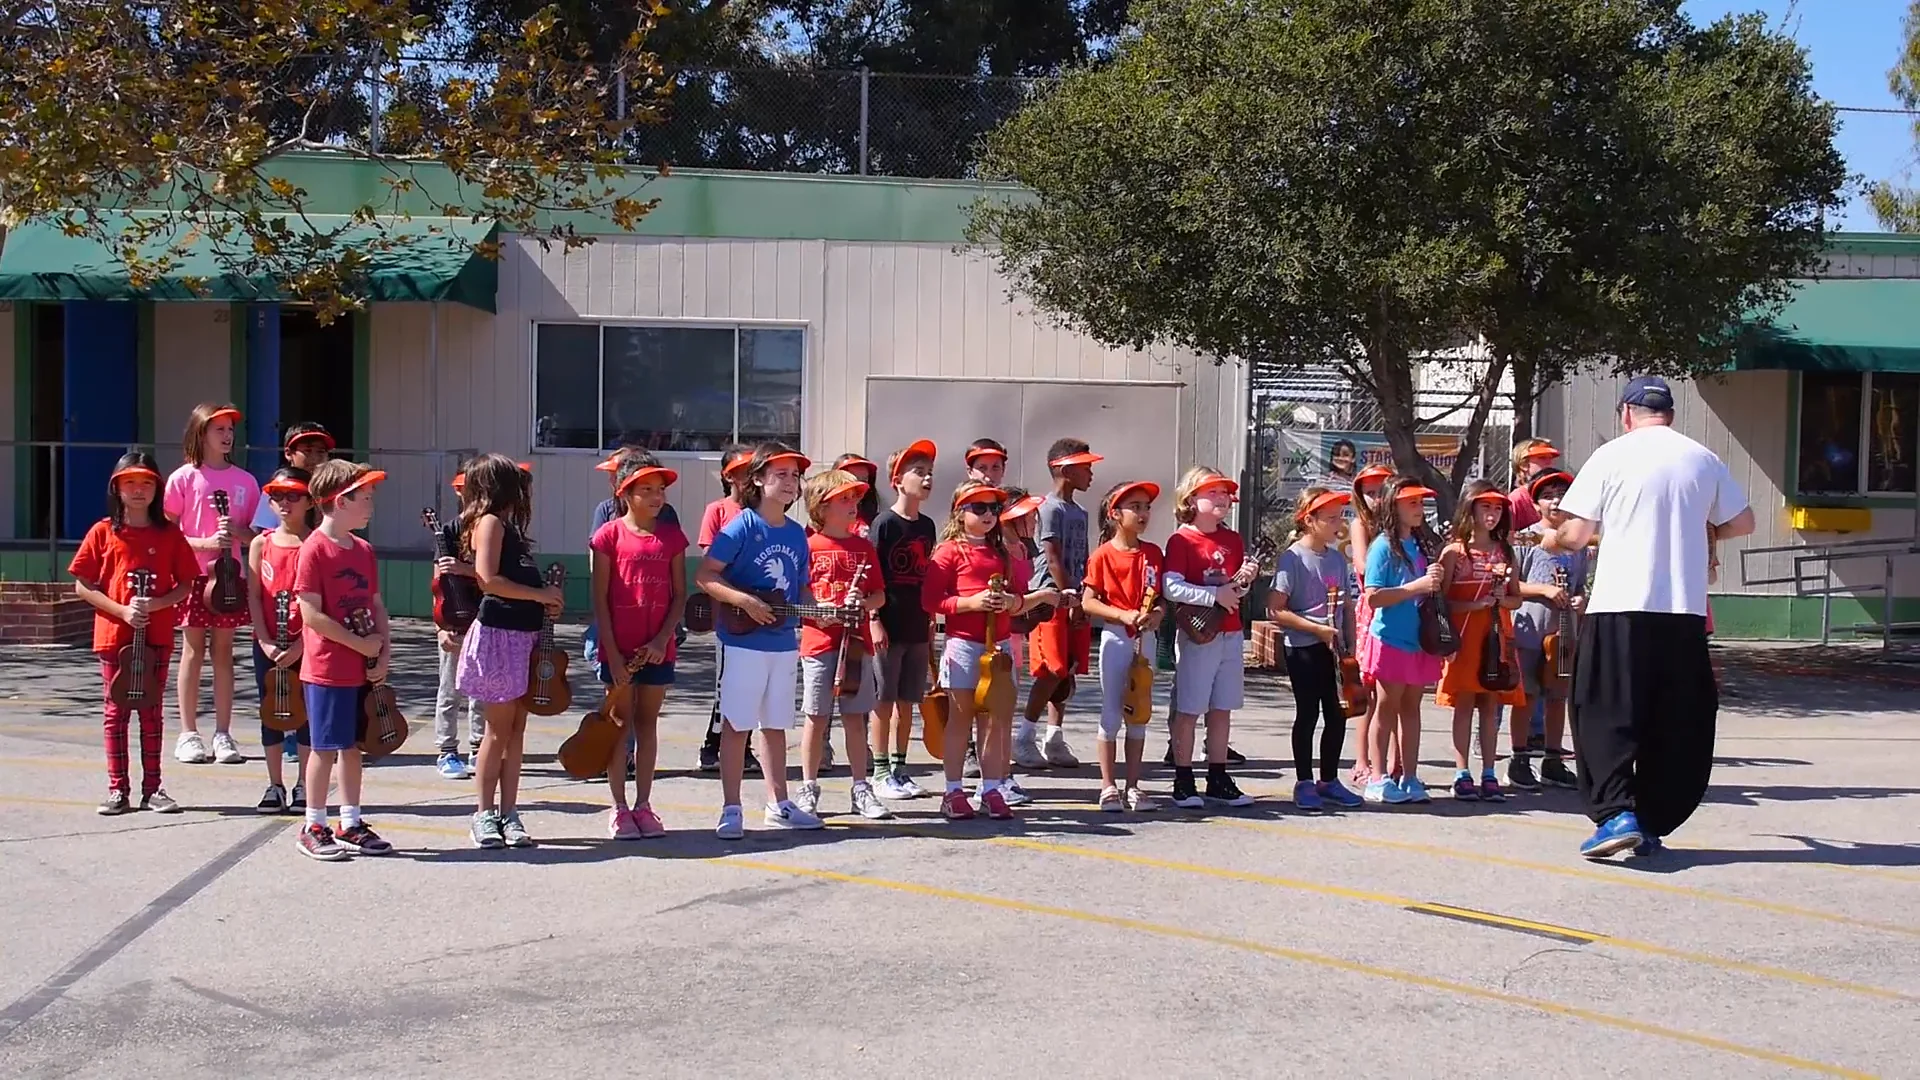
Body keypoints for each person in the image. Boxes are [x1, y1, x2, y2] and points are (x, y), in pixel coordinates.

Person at [1553, 376, 1753, 859]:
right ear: (1670, 414)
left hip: (1620, 603)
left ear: (1626, 413)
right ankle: (1653, 816)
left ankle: (1616, 812)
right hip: (1682, 611)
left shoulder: (1612, 456)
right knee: (1674, 717)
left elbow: (1577, 534)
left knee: (1604, 711)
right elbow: (1743, 521)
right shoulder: (1702, 458)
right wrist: (1696, 530)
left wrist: (1553, 535)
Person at [696, 441, 818, 838]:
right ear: (760, 479)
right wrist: (745, 601)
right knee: (736, 725)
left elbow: (802, 591)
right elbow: (707, 575)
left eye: (795, 476)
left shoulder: (799, 534)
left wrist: (825, 609)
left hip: (783, 644)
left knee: (776, 726)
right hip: (743, 642)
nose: (789, 482)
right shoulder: (742, 525)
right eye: (780, 474)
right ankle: (731, 808)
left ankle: (779, 803)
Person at [70, 452, 200, 815]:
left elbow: (186, 583)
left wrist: (156, 605)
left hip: (156, 636)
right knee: (116, 713)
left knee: (152, 713)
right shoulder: (103, 531)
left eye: (146, 483)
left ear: (158, 488)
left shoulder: (169, 534)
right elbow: (83, 584)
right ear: (117, 487)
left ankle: (154, 788)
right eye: (130, 483)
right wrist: (122, 610)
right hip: (113, 636)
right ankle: (118, 789)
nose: (139, 490)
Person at [920, 481, 1052, 820]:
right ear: (959, 512)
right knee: (961, 719)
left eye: (993, 508)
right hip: (964, 644)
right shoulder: (949, 551)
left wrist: (1011, 602)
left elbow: (1018, 598)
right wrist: (970, 603)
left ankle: (992, 787)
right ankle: (952, 791)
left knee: (997, 721)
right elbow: (932, 601)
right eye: (979, 508)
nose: (988, 515)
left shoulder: (1002, 553)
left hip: (1000, 646)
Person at [458, 455, 564, 850]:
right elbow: (488, 580)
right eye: (519, 482)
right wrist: (539, 594)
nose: (526, 490)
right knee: (498, 731)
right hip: (500, 636)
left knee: (516, 731)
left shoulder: (512, 530)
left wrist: (545, 602)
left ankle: (509, 812)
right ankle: (483, 813)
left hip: (524, 635)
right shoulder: (489, 524)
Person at [293, 459, 394, 860]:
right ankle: (313, 823)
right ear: (337, 501)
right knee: (324, 747)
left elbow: (375, 604)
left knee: (353, 747)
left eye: (370, 497)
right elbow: (311, 615)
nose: (370, 505)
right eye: (363, 498)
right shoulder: (314, 550)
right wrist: (359, 644)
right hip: (327, 668)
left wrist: (382, 649)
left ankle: (350, 821)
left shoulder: (364, 550)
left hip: (361, 667)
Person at [590, 451, 689, 840]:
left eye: (659, 490)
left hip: (657, 648)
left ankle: (644, 805)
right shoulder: (608, 536)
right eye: (645, 489)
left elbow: (680, 594)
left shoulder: (672, 537)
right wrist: (612, 654)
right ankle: (618, 808)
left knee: (647, 726)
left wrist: (662, 639)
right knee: (618, 726)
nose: (655, 496)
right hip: (618, 650)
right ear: (624, 493)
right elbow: (600, 600)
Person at [166, 402, 261, 766]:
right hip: (194, 576)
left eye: (230, 429)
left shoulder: (245, 482)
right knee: (193, 649)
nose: (227, 435)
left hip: (230, 578)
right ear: (201, 433)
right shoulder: (183, 478)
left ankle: (223, 733)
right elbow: (169, 531)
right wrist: (204, 543)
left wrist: (237, 535)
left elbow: (256, 534)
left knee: (224, 651)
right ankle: (189, 733)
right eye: (218, 429)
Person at [794, 469, 892, 820]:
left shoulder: (864, 547)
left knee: (855, 718)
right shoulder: (807, 546)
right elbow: (799, 595)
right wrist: (819, 612)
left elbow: (879, 595)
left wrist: (862, 606)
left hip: (856, 645)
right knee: (816, 718)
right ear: (822, 506)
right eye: (844, 499)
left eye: (855, 498)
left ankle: (861, 789)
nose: (854, 505)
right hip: (819, 645)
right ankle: (808, 788)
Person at [1161, 468, 1256, 809]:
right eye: (1212, 492)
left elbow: (1235, 587)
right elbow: (1171, 586)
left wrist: (1244, 581)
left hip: (1231, 632)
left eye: (1224, 493)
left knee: (1222, 708)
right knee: (1189, 708)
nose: (1222, 499)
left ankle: (1217, 775)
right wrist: (1212, 596)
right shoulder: (1182, 540)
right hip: (1199, 633)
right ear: (1191, 499)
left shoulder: (1232, 539)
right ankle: (1183, 778)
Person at [1268, 486, 1366, 810]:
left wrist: (1350, 644)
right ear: (1309, 520)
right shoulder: (1292, 558)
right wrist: (1316, 629)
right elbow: (1276, 609)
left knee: (1338, 713)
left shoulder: (1337, 558)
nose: (1338, 523)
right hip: (1303, 648)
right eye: (1330, 518)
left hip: (1334, 649)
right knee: (1308, 713)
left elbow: (1347, 606)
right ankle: (1304, 781)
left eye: (1340, 516)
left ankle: (1329, 780)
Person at [1435, 482, 1528, 803]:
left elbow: (1515, 599)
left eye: (1498, 508)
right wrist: (1472, 606)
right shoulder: (1454, 552)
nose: (1492, 513)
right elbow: (1441, 602)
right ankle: (1462, 773)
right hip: (1464, 638)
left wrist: (1504, 598)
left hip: (1496, 637)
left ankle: (1489, 772)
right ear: (1470, 509)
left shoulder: (1506, 551)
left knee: (1490, 705)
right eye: (1485, 506)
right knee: (1463, 705)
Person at [1079, 480, 1165, 811]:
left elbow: (1160, 600)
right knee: (1112, 710)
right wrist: (1121, 614)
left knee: (1139, 709)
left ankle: (1134, 786)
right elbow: (1088, 602)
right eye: (1136, 507)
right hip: (1117, 637)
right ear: (1115, 514)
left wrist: (1155, 614)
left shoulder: (1153, 553)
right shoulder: (1102, 556)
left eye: (1146, 507)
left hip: (1145, 638)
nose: (1143, 513)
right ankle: (1107, 786)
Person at [1359, 478, 1445, 805]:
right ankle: (1378, 778)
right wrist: (1418, 585)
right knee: (1386, 707)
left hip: (1420, 639)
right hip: (1391, 640)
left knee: (1412, 709)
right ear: (1393, 506)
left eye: (1420, 503)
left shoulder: (1422, 544)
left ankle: (1409, 776)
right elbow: (1374, 597)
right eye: (1411, 503)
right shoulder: (1382, 545)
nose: (1419, 509)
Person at [1021, 438, 1100, 770]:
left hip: (1076, 600)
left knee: (1067, 670)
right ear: (1064, 469)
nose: (1091, 473)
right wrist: (1071, 598)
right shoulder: (1048, 508)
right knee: (1051, 670)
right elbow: (1052, 559)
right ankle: (1024, 737)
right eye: (1085, 466)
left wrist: (1085, 597)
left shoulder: (1079, 511)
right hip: (1052, 600)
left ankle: (1054, 737)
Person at [869, 440, 938, 801]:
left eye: (930, 473)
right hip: (888, 623)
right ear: (898, 480)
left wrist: (930, 619)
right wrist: (873, 619)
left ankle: (899, 767)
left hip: (917, 623)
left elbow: (926, 575)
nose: (926, 478)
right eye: (918, 472)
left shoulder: (927, 525)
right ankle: (879, 770)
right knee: (883, 698)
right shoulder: (884, 524)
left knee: (908, 700)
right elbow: (871, 577)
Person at [1510, 469, 1586, 791]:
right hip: (1530, 628)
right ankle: (1519, 758)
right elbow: (1513, 585)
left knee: (1558, 696)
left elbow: (1582, 583)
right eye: (1548, 495)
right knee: (1526, 696)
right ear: (1536, 502)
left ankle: (1553, 760)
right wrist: (1542, 590)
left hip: (1564, 633)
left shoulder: (1578, 542)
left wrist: (1582, 599)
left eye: (1561, 495)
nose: (1555, 501)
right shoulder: (1527, 537)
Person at [247, 467, 317, 813]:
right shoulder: (262, 542)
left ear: (309, 500)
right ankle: (275, 784)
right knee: (270, 711)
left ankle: (304, 782)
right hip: (269, 642)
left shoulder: (316, 542)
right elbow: (254, 596)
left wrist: (303, 644)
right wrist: (264, 640)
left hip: (307, 642)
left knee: (304, 712)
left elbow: (323, 603)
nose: (285, 503)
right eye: (277, 497)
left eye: (293, 496)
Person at [693, 445, 761, 777]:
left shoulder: (764, 511)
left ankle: (743, 748)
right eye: (742, 471)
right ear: (728, 475)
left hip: (759, 609)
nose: (749, 477)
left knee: (751, 684)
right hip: (728, 610)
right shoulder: (718, 510)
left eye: (753, 470)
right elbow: (712, 562)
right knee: (727, 682)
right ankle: (713, 746)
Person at [431, 468, 485, 780]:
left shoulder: (491, 528)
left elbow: (494, 576)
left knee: (480, 691)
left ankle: (478, 746)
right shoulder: (449, 531)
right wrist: (440, 627)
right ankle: (446, 750)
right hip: (453, 621)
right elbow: (437, 583)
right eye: (466, 489)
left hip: (483, 620)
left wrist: (466, 569)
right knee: (449, 689)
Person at [1346, 463, 1394, 787]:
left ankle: (1392, 761)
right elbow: (1363, 566)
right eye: (1370, 492)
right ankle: (1361, 759)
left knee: (1395, 693)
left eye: (1382, 491)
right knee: (1369, 691)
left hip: (1400, 606)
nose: (1376, 498)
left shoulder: (1401, 524)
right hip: (1372, 607)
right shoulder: (1360, 524)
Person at [248, 423, 334, 531]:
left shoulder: (334, 490)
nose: (314, 458)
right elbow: (261, 531)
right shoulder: (277, 487)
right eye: (308, 451)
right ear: (288, 453)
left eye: (321, 452)